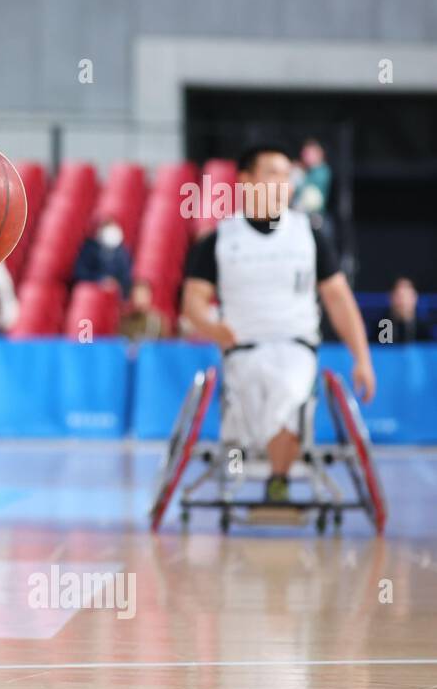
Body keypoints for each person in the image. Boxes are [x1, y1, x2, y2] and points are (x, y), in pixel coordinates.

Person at [182, 144, 375, 505]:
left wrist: (362, 358)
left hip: (296, 346)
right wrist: (212, 329)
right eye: (273, 172)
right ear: (245, 181)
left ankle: (279, 480)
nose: (283, 182)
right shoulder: (219, 240)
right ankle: (252, 461)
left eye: (288, 175)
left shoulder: (309, 234)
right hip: (242, 349)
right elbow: (192, 301)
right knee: (246, 406)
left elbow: (338, 299)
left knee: (288, 390)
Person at [73, 217, 132, 298]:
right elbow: (80, 273)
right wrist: (100, 279)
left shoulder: (122, 253)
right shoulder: (89, 248)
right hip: (91, 293)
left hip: (114, 295)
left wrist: (115, 284)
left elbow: (125, 277)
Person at [375, 276, 430, 344]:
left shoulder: (423, 329)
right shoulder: (382, 327)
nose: (403, 302)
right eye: (399, 297)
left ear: (415, 298)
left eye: (407, 297)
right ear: (391, 298)